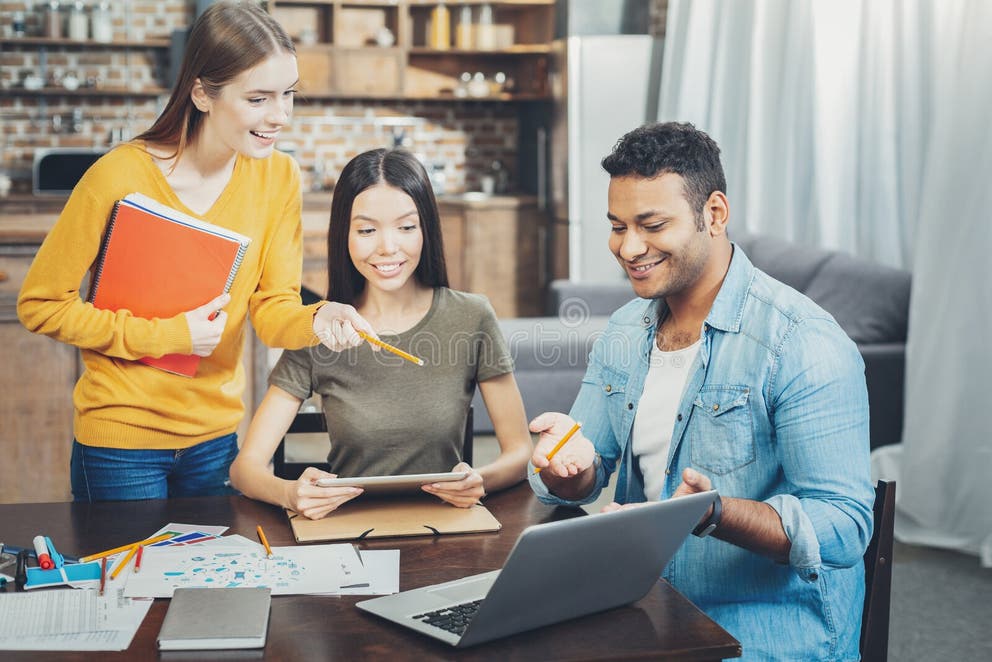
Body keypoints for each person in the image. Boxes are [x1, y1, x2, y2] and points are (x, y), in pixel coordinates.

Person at [527, 122, 874, 660]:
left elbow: (845, 527)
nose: (629, 247)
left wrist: (715, 514)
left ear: (713, 214)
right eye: (617, 226)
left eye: (652, 225)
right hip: (644, 609)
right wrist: (564, 469)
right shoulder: (625, 330)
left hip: (762, 633)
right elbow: (584, 470)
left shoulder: (802, 342)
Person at [16, 2, 375, 502]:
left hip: (216, 441)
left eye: (288, 94)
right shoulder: (118, 176)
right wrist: (170, 335)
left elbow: (273, 310)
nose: (280, 116)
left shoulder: (278, 177)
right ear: (203, 93)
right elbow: (40, 305)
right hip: (121, 445)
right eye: (258, 98)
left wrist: (320, 318)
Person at [230, 148, 532, 519]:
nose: (388, 248)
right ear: (344, 235)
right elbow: (245, 469)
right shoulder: (323, 328)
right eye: (367, 230)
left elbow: (520, 452)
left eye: (406, 227)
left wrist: (480, 480)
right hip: (348, 528)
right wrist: (290, 493)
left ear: (426, 229)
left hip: (446, 526)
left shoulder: (471, 317)